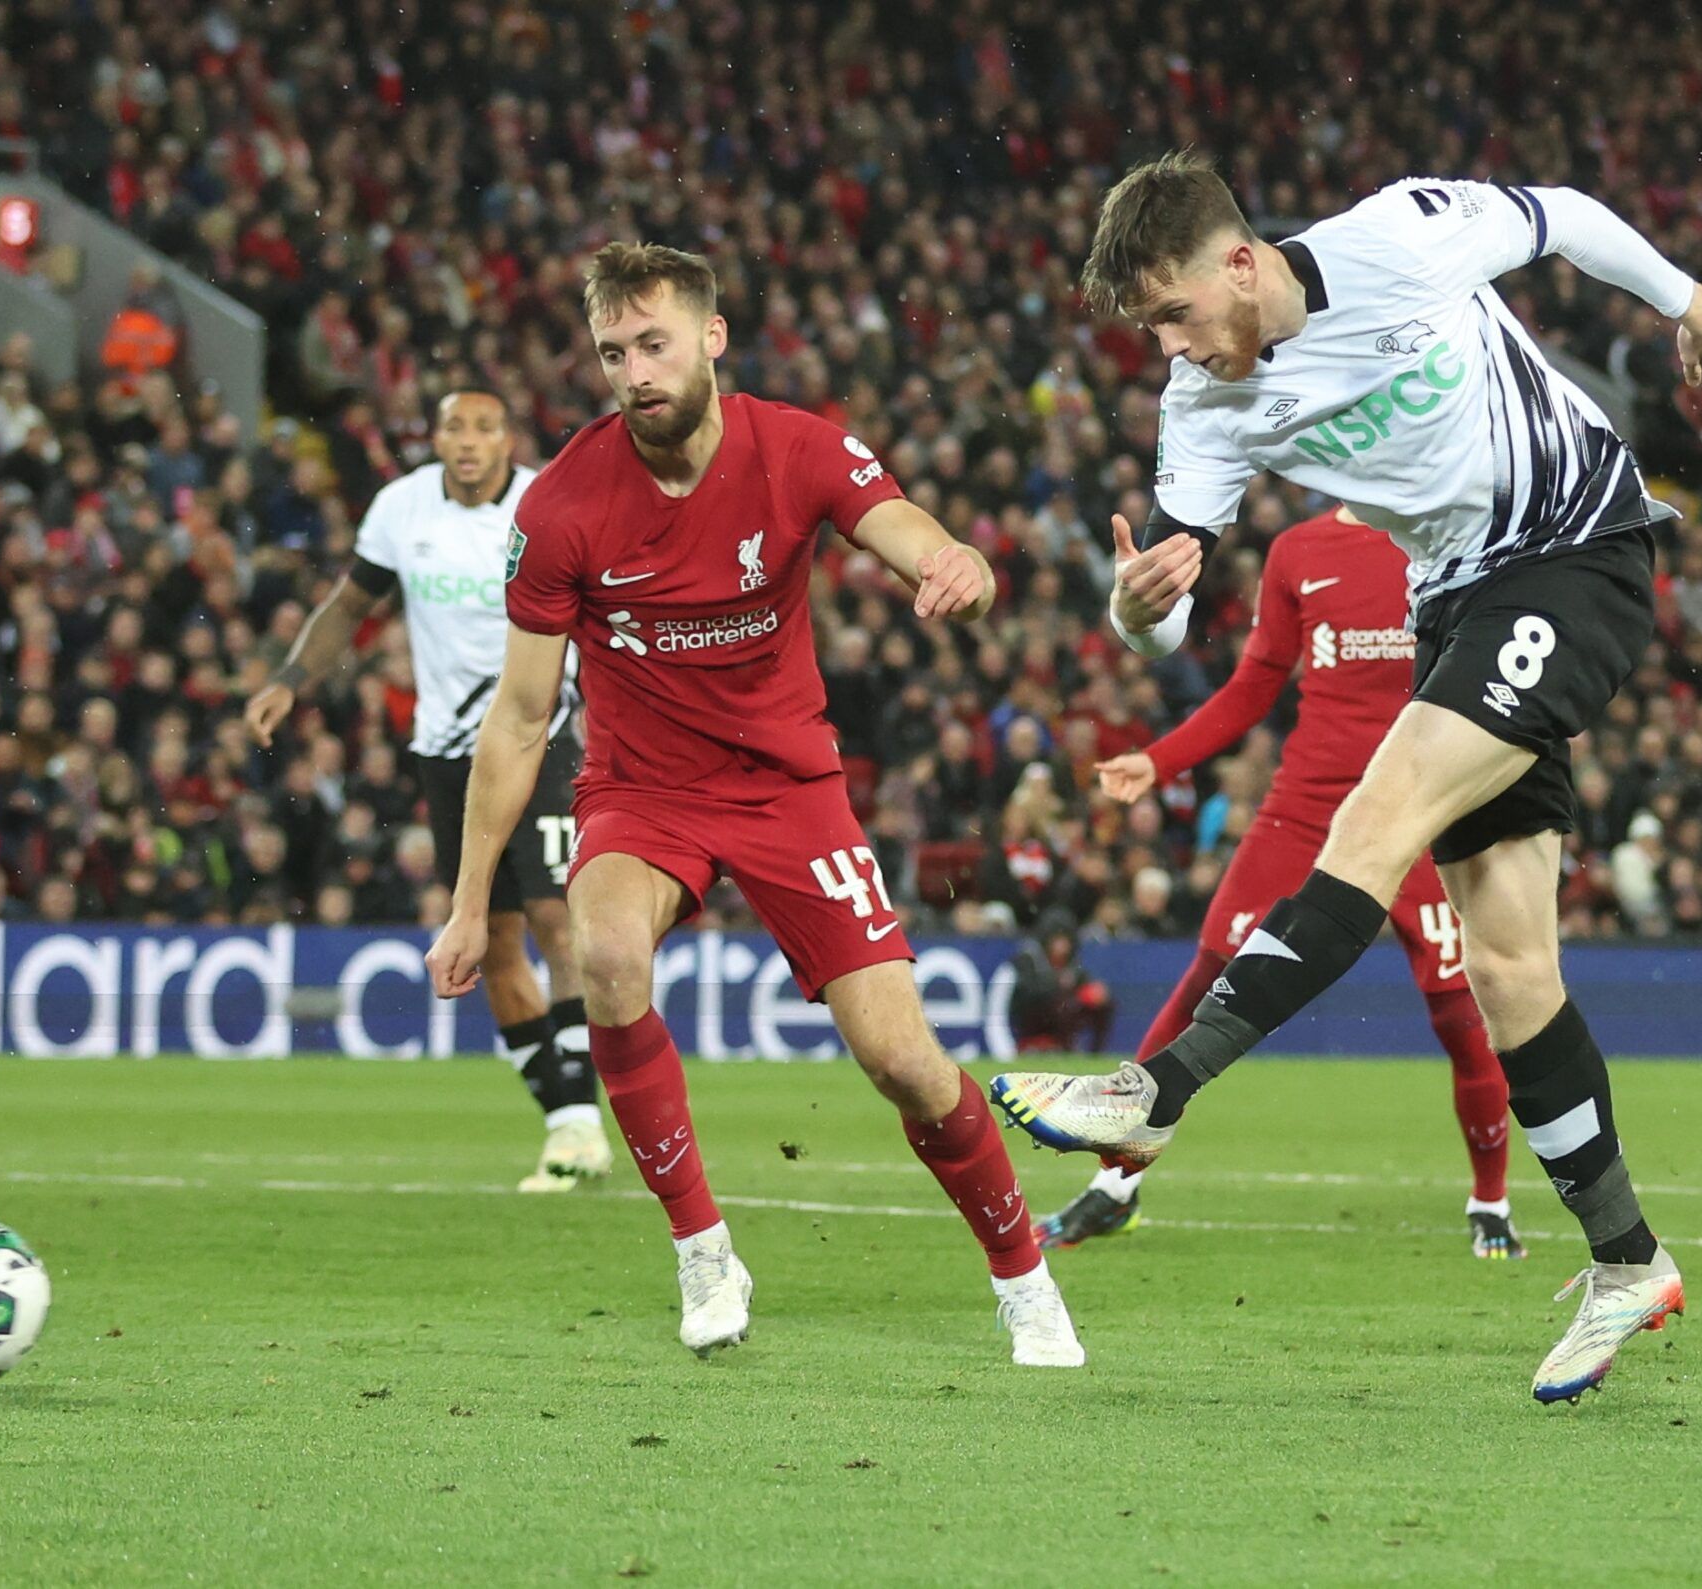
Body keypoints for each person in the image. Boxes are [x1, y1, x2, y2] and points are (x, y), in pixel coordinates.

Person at [990, 152, 1702, 1403]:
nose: (1170, 346)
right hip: (1451, 606)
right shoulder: (1204, 401)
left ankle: (1155, 1091)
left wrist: (1687, 297)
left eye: (1174, 312)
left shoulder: (1402, 235)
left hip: (1573, 551)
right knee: (1508, 969)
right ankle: (1627, 1258)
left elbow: (1562, 217)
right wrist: (1135, 612)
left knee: (1374, 818)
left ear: (1240, 262)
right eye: (1149, 329)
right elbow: (1168, 614)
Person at [423, 242, 1083, 1367]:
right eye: (613, 353)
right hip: (642, 791)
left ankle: (1024, 1277)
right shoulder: (562, 503)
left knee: (903, 1060)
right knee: (606, 952)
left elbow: (910, 530)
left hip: (789, 788)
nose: (635, 372)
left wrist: (959, 565)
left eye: (655, 344)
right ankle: (702, 1250)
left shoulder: (799, 447)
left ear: (713, 337)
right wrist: (467, 899)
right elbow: (522, 716)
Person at [1032, 511, 1521, 1261]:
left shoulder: (1449, 530)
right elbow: (1254, 684)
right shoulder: (1299, 550)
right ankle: (1115, 1185)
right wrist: (1160, 760)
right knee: (1209, 974)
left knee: (1461, 1011)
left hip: (1418, 801)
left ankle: (1490, 1201)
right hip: (1307, 806)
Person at [245, 388, 607, 1194]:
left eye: (484, 427)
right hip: (448, 755)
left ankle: (585, 1114)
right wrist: (290, 679)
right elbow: (350, 603)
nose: (469, 441)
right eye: (455, 428)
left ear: (508, 438)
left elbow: (601, 607)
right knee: (494, 940)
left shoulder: (546, 503)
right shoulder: (401, 508)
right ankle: (564, 1121)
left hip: (543, 734)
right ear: (436, 439)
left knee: (557, 916)